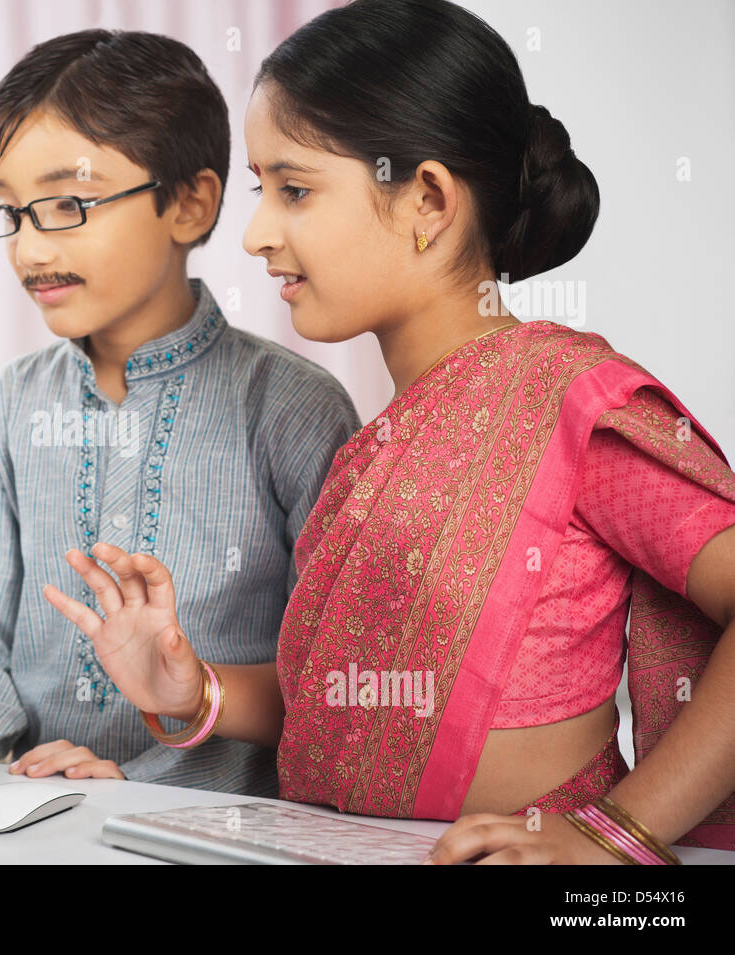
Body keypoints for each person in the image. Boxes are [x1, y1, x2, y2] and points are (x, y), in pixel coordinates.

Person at [43, 0, 735, 863]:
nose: (258, 234)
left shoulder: (572, 406)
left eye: (294, 189)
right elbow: (343, 710)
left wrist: (619, 834)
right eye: (263, 191)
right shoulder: (370, 449)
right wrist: (193, 688)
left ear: (429, 200)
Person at [0, 29, 360, 797]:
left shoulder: (294, 410)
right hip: (30, 810)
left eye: (67, 204)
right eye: (12, 212)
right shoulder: (7, 408)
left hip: (211, 827)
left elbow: (326, 685)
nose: (28, 249)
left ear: (189, 203)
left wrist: (133, 778)